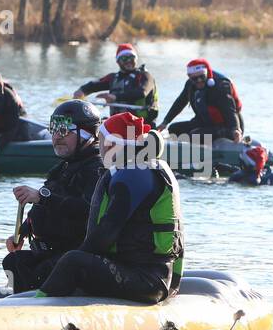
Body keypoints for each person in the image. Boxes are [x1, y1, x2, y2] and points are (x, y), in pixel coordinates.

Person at [39, 112, 183, 304]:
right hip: (138, 271)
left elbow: (107, 232)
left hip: (148, 280)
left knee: (72, 261)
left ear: (116, 144)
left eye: (102, 140)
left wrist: (74, 258)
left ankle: (30, 309)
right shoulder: (136, 169)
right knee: (65, 259)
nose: (100, 147)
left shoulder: (134, 176)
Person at [2, 100, 106, 293]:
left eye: (64, 130)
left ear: (88, 135)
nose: (57, 137)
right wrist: (22, 232)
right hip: (50, 253)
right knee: (14, 261)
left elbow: (87, 210)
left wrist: (42, 197)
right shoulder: (63, 168)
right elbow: (44, 207)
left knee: (43, 269)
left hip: (75, 257)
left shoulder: (96, 169)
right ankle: (19, 302)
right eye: (54, 130)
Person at [158, 58, 243, 141]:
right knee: (173, 129)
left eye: (202, 77)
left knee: (194, 135)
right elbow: (180, 103)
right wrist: (165, 122)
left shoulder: (220, 86)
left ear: (207, 73)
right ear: (190, 77)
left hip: (227, 125)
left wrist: (235, 129)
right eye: (195, 79)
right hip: (205, 122)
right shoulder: (190, 85)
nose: (199, 81)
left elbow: (229, 110)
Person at [73, 43, 159, 122]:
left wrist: (115, 97)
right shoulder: (113, 77)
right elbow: (93, 85)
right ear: (118, 61)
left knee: (129, 132)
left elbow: (142, 92)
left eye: (131, 58)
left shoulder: (145, 76)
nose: (129, 61)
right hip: (119, 123)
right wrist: (81, 91)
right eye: (124, 58)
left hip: (142, 123)